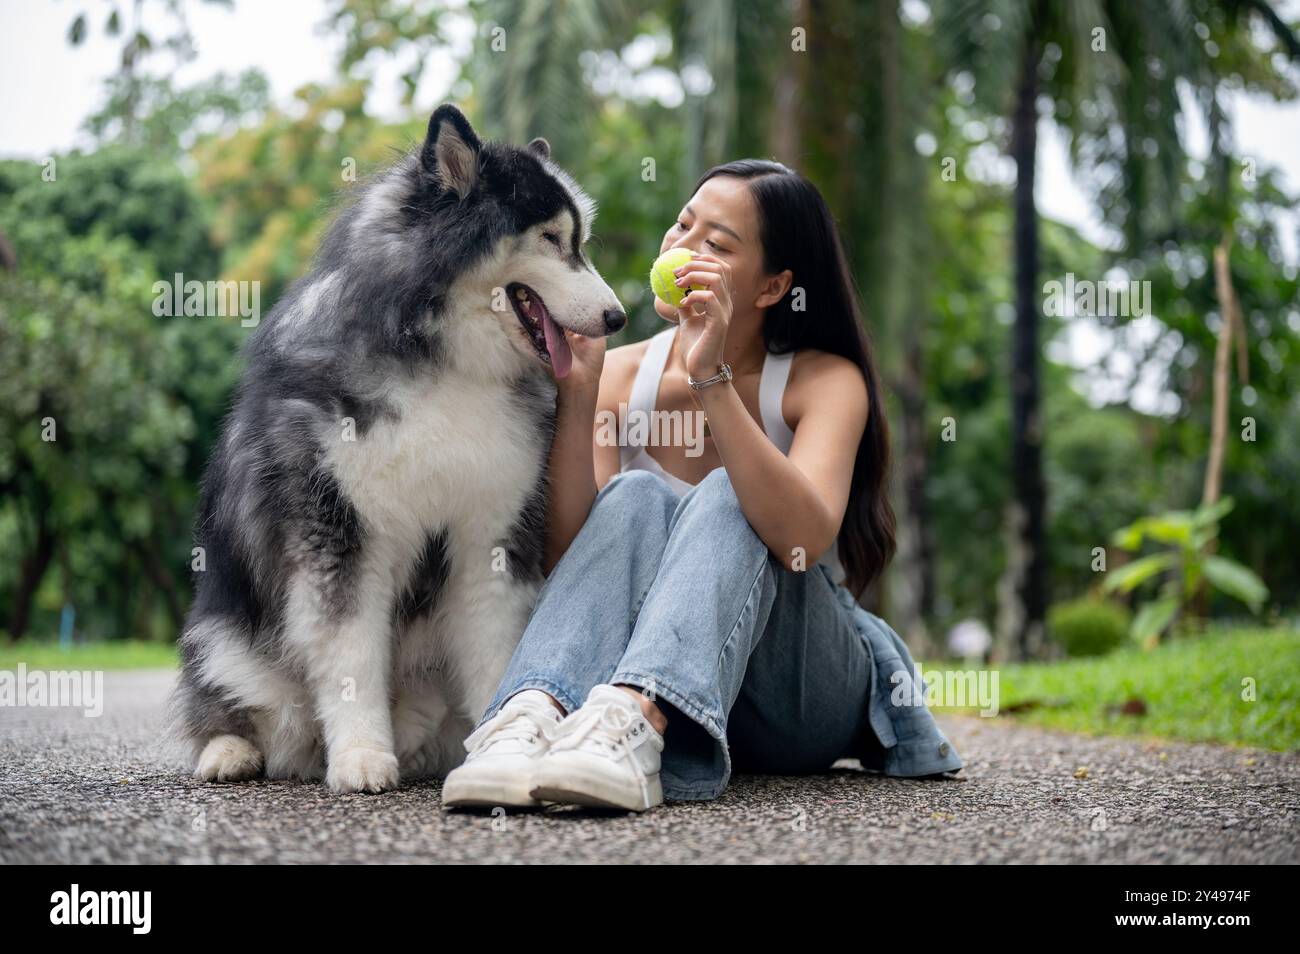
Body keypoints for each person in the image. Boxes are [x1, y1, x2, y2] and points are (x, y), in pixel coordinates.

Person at [442, 159, 962, 812]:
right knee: (632, 497)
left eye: (716, 244)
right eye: (683, 225)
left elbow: (801, 539)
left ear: (773, 287)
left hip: (794, 693)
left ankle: (637, 721)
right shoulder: (619, 375)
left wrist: (708, 376)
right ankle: (528, 718)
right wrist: (580, 395)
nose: (683, 248)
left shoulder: (823, 380)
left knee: (725, 494)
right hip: (660, 683)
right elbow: (570, 563)